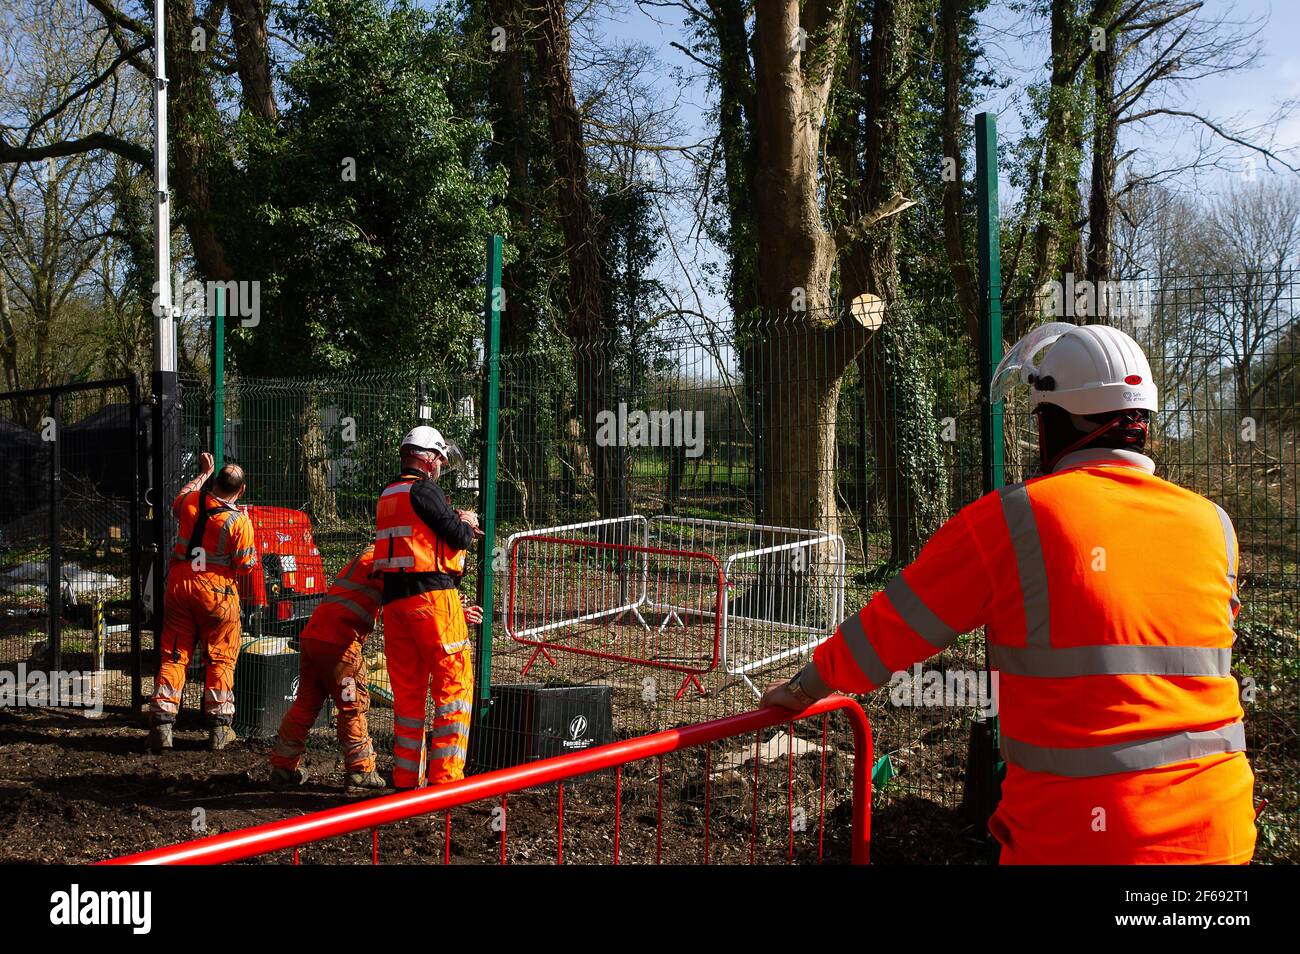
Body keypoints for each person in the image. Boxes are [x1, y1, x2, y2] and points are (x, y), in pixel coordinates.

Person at [762, 323, 1256, 864]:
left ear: (1051, 422)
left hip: (1082, 841)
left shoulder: (1015, 519)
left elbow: (893, 628)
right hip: (1219, 830)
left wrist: (806, 686)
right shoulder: (1215, 525)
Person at [374, 426, 483, 790]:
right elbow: (458, 536)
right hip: (433, 600)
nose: (440, 465)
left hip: (395, 604)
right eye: (439, 459)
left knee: (408, 693)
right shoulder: (424, 489)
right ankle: (446, 782)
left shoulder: (388, 492)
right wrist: (467, 521)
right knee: (454, 686)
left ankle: (406, 781)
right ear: (428, 458)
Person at [149, 452, 256, 753]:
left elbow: (179, 498)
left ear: (215, 483)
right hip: (217, 593)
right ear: (242, 490)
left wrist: (203, 473)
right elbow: (246, 565)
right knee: (220, 658)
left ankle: (161, 725)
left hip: (180, 586)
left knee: (174, 654)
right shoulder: (239, 521)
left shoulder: (192, 501)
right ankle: (219, 731)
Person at [268, 544, 387, 794]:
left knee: (305, 704)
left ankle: (283, 767)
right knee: (352, 705)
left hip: (314, 638)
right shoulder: (385, 560)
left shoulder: (368, 554)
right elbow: (405, 601)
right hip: (339, 645)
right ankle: (361, 770)